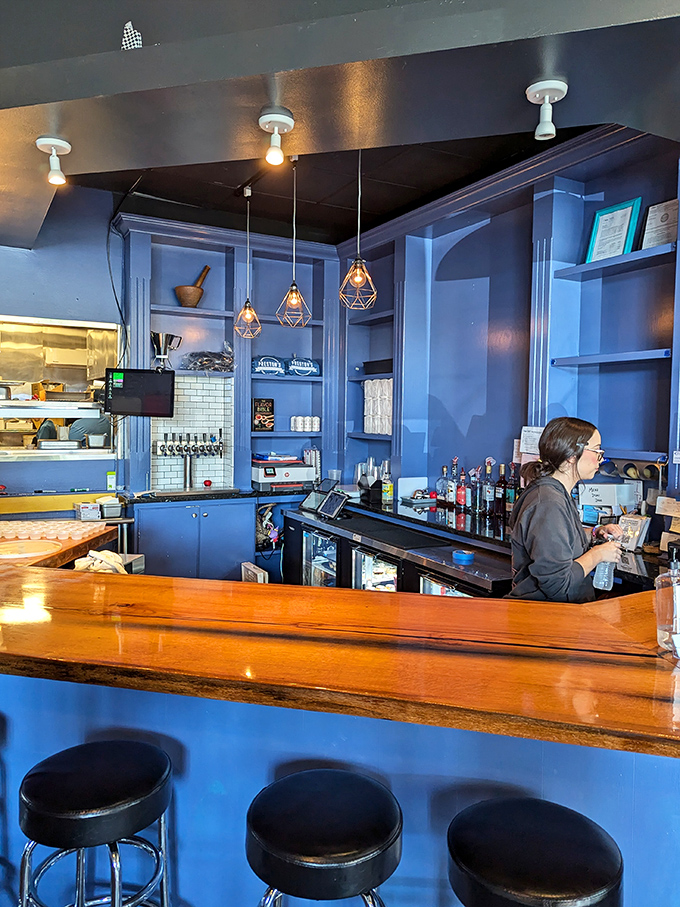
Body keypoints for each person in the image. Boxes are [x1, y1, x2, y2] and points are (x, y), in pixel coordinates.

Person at [508, 416, 623, 602]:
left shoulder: (556, 493)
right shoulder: (548, 502)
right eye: (597, 451)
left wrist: (594, 532)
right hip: (545, 619)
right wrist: (598, 555)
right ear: (571, 456)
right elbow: (558, 584)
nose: (600, 460)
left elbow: (558, 540)